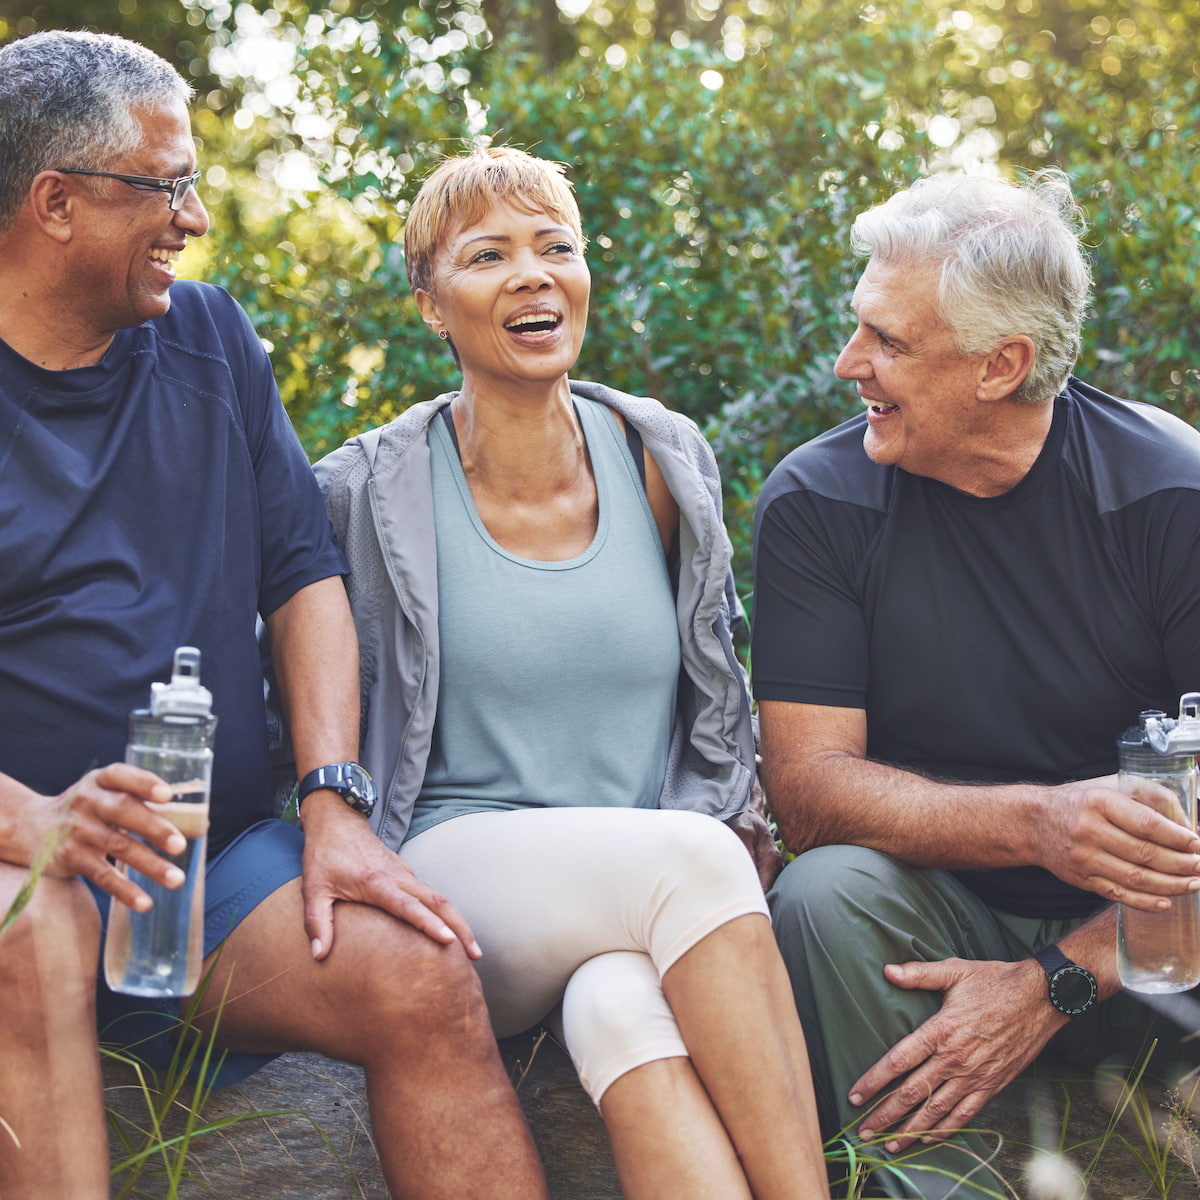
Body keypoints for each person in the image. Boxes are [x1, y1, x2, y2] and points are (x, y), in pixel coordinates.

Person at [0, 31, 548, 1200]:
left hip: (214, 869)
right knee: (31, 933)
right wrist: (32, 816)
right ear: (54, 203)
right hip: (21, 857)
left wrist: (333, 803)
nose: (194, 217)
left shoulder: (208, 339)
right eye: (167, 185)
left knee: (423, 974)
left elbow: (303, 578)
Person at [314, 145, 831, 1200]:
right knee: (692, 861)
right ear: (429, 303)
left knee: (616, 1008)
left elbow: (711, 689)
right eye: (488, 255)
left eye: (558, 248)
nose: (534, 275)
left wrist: (730, 809)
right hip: (458, 878)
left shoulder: (661, 458)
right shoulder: (364, 491)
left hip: (635, 896)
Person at [752, 168, 1200, 1198]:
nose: (847, 363)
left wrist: (1057, 982)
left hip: (1152, 939)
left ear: (1003, 364)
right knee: (824, 894)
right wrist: (1043, 822)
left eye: (889, 343)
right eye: (859, 326)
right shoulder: (819, 503)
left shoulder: (1173, 498)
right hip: (934, 923)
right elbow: (810, 794)